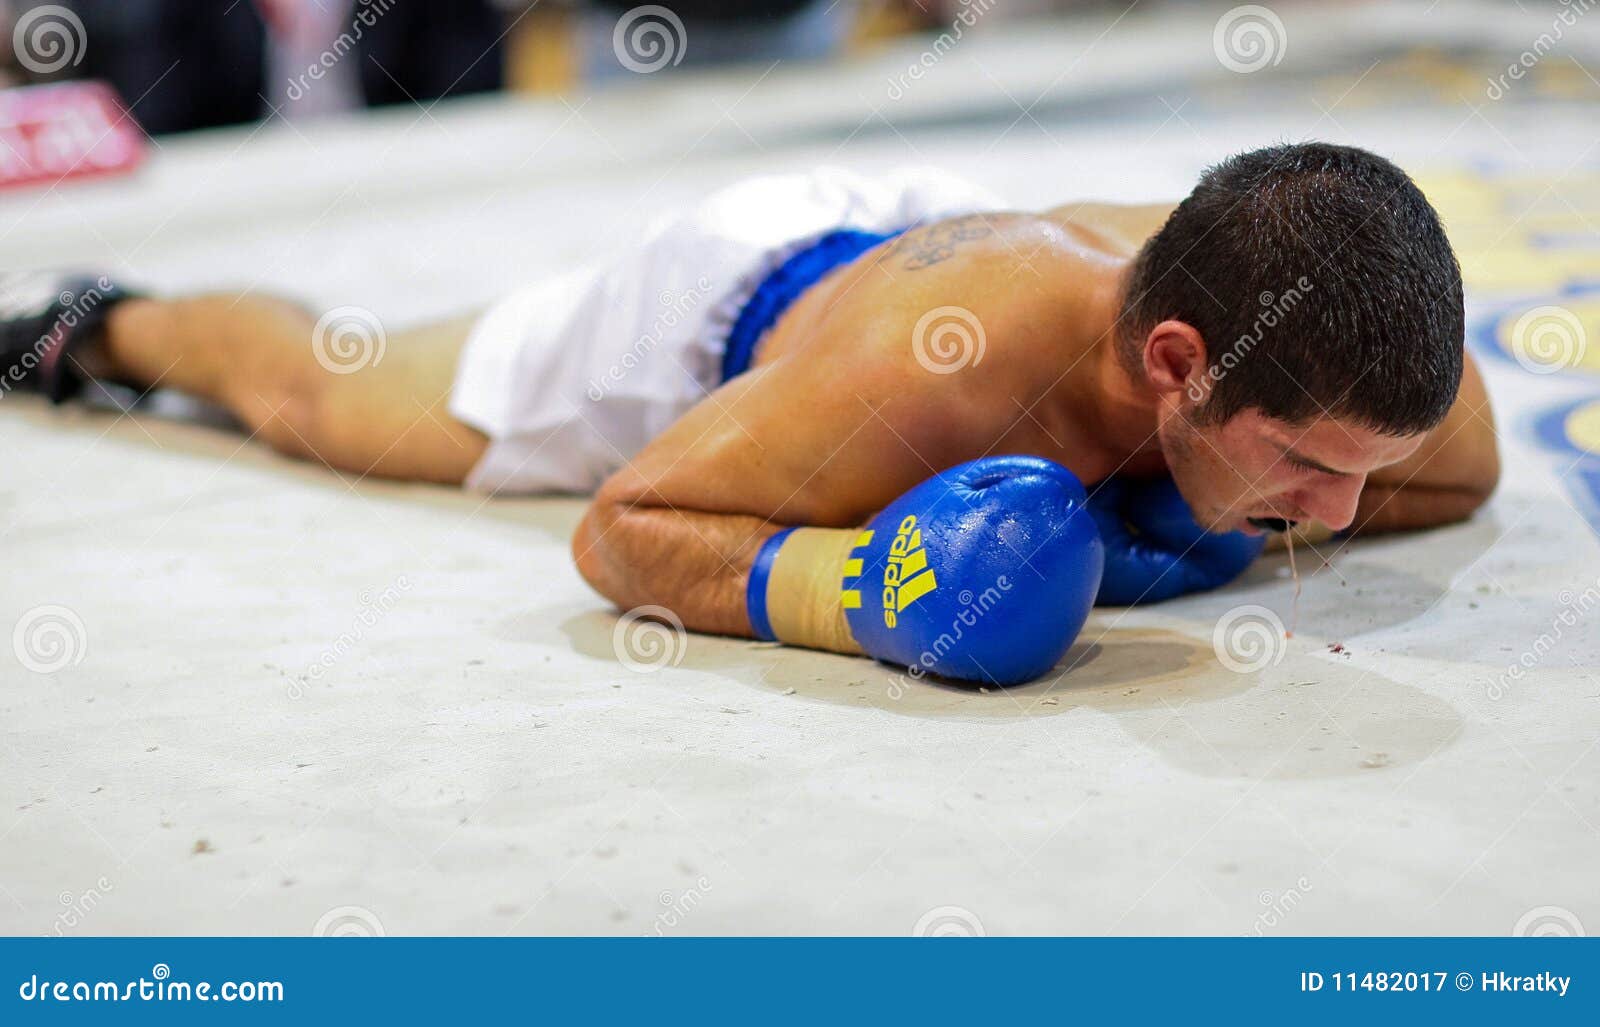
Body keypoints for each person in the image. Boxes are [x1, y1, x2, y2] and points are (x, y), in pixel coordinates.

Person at [0, 142, 1499, 684]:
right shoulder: (925, 375)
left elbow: (1448, 473)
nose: (1347, 516)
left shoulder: (1332, 350)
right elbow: (624, 527)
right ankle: (94, 318)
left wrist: (1233, 516)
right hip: (738, 305)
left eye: (1365, 472)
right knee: (325, 399)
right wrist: (869, 591)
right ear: (1180, 365)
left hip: (959, 237)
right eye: (1303, 467)